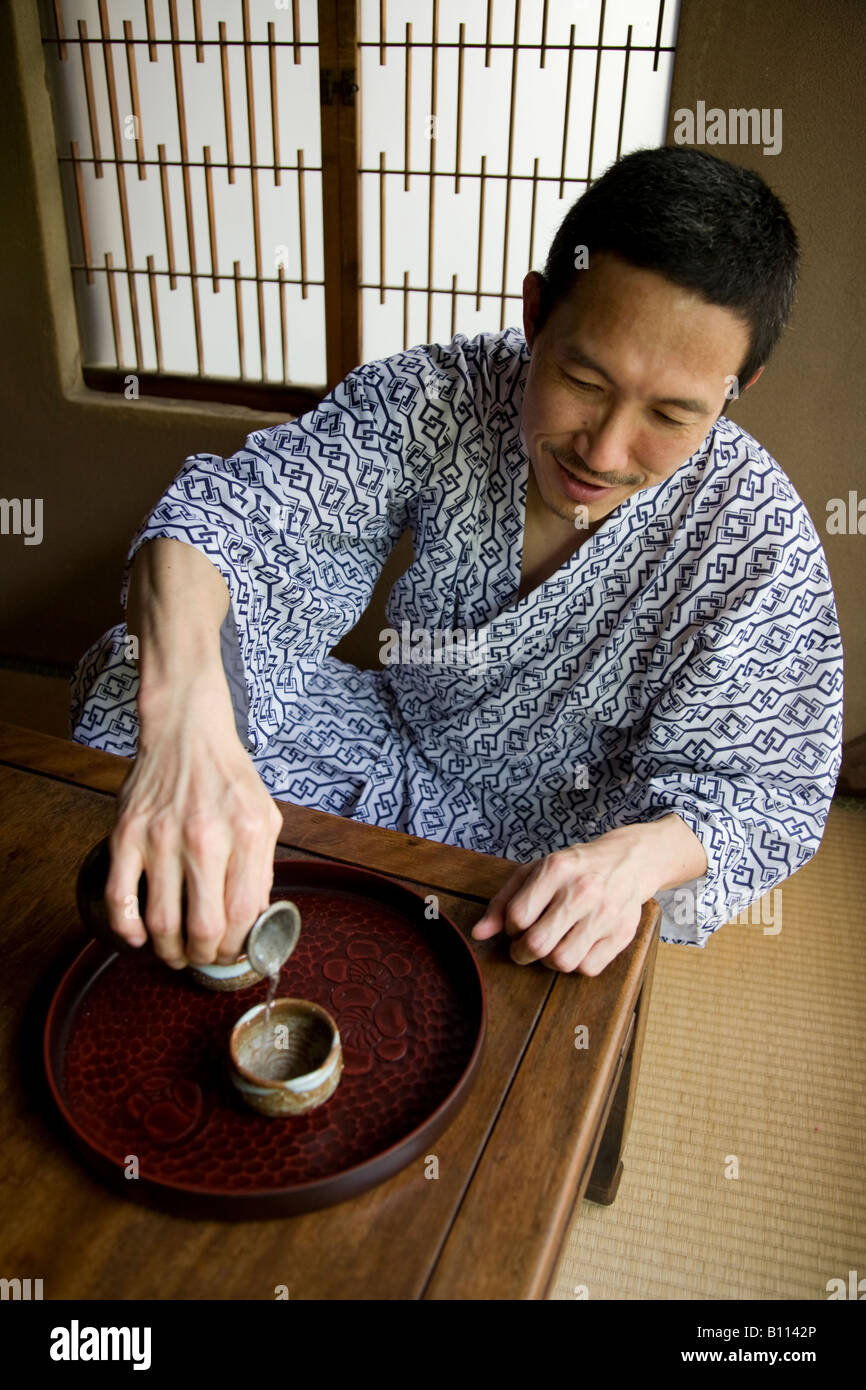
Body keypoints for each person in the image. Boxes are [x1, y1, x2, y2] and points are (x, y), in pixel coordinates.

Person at [69, 145, 844, 979]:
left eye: (671, 413)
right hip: (387, 744)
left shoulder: (758, 535)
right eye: (582, 378)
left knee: (559, 977)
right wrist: (189, 727)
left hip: (559, 859)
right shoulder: (446, 394)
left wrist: (638, 862)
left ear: (737, 388)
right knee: (129, 687)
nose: (606, 449)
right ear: (536, 312)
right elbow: (227, 520)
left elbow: (771, 792)